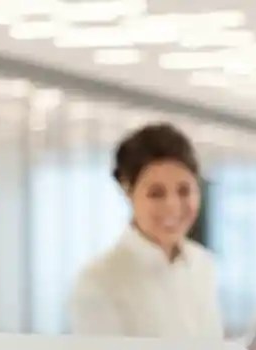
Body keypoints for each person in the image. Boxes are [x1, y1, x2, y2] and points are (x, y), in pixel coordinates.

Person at [69, 123, 224, 338]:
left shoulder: (203, 263)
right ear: (128, 192)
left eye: (184, 190)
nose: (172, 206)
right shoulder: (99, 281)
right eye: (156, 193)